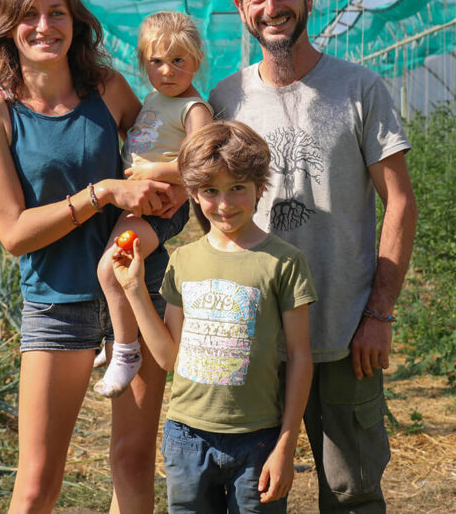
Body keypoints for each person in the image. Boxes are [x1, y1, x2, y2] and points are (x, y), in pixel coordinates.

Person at [208, 0, 418, 513]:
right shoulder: (225, 100)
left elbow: (400, 203)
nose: (271, 6)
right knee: (251, 494)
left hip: (344, 330)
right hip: (255, 335)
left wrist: (378, 315)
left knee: (352, 490)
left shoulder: (358, 88)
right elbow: (206, 207)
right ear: (240, 8)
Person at [0, 0, 182, 513]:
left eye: (56, 13)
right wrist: (103, 193)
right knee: (37, 482)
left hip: (136, 292)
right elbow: (14, 233)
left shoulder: (107, 90)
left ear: (75, 22)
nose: (44, 26)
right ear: (8, 27)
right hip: (56, 303)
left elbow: (162, 152)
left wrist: (166, 195)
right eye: (29, 15)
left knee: (132, 460)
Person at [110, 121, 316, 513]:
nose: (223, 204)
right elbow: (169, 358)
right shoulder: (184, 261)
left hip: (258, 440)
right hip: (186, 439)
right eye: (210, 191)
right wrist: (134, 288)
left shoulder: (284, 262)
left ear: (260, 186)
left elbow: (300, 356)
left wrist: (286, 445)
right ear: (193, 193)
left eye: (237, 187)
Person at [93, 11, 213, 398]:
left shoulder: (194, 109)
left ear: (196, 60)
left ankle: (126, 352)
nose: (166, 71)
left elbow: (203, 164)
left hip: (160, 206)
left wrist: (156, 170)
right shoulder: (153, 99)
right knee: (110, 266)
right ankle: (113, 339)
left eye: (178, 60)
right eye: (156, 61)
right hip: (136, 203)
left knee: (113, 267)